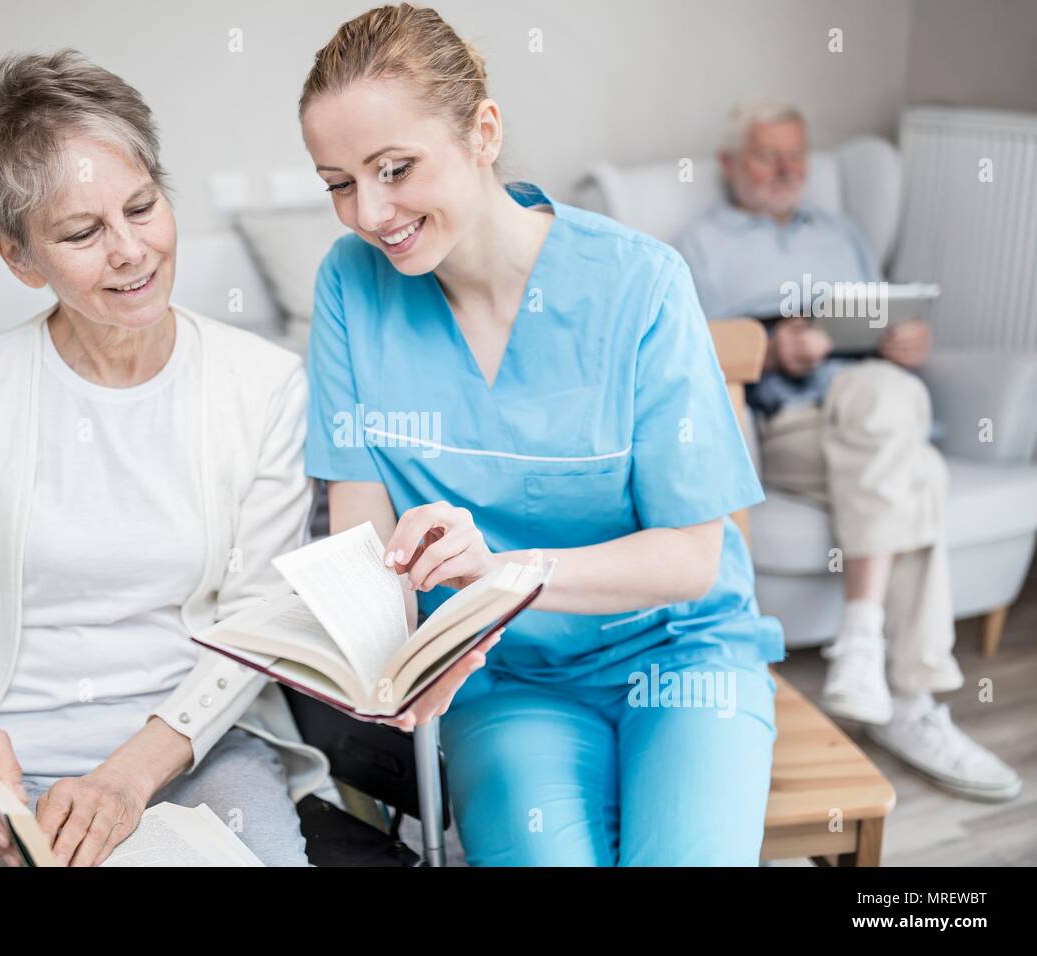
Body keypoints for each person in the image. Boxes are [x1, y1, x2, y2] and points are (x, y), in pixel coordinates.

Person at [0, 50, 332, 867]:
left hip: (192, 755)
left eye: (142, 207)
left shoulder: (266, 389)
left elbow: (256, 627)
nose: (130, 251)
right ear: (18, 256)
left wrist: (124, 780)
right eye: (82, 233)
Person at [299, 3, 785, 865]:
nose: (369, 213)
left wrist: (507, 574)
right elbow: (359, 534)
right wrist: (387, 654)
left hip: (682, 652)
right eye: (340, 182)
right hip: (505, 676)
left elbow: (690, 560)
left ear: (483, 131)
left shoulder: (639, 285)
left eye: (395, 168)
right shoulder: (350, 286)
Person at [672, 99, 1019, 802]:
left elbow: (886, 316)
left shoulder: (844, 234)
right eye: (768, 155)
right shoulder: (701, 245)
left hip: (872, 408)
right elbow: (688, 352)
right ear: (730, 164)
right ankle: (912, 699)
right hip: (791, 424)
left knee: (897, 417)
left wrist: (905, 343)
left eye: (797, 155)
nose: (786, 169)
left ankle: (871, 657)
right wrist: (772, 351)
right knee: (907, 448)